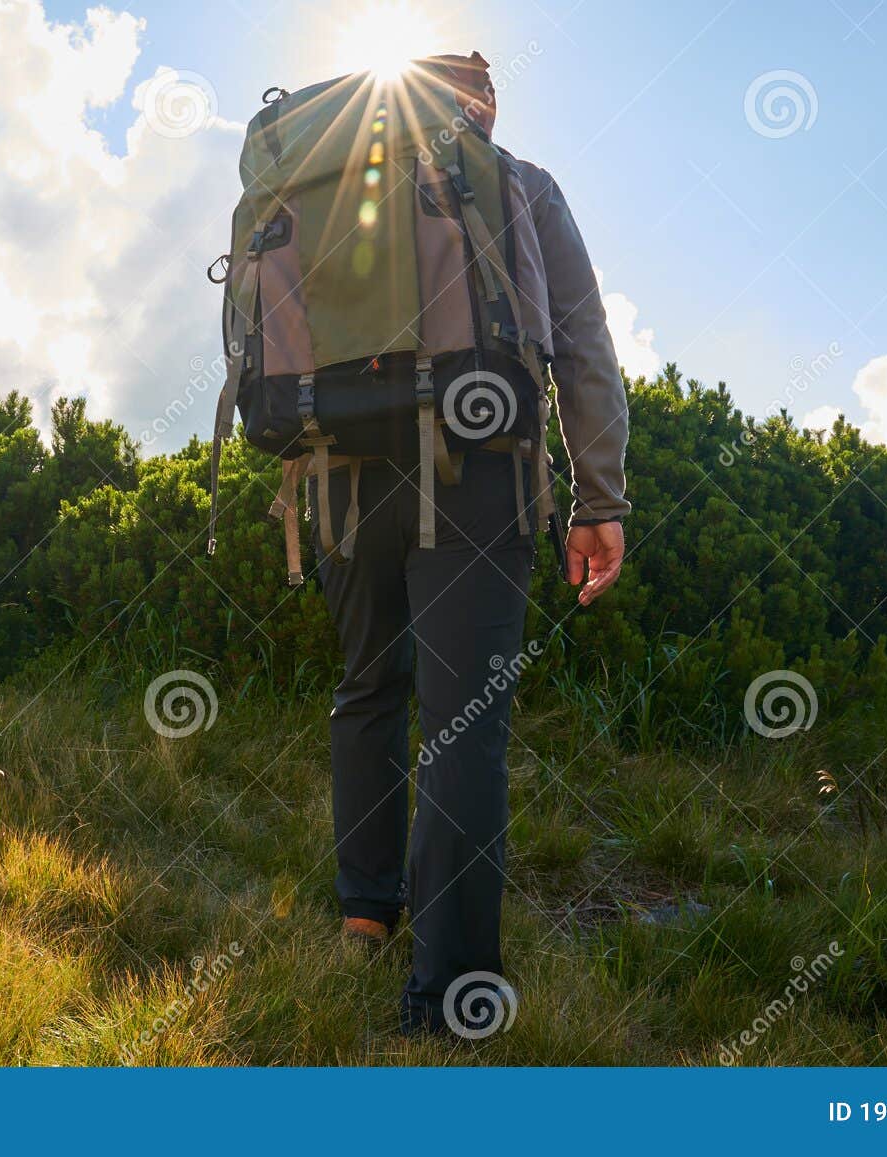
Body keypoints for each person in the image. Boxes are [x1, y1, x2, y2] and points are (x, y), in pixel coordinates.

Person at [311, 52, 631, 1034]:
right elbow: (582, 343)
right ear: (484, 106)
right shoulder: (523, 187)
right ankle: (446, 995)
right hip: (480, 465)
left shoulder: (330, 183)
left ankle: (365, 913)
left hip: (338, 467)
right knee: (462, 724)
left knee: (368, 686)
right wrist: (598, 496)